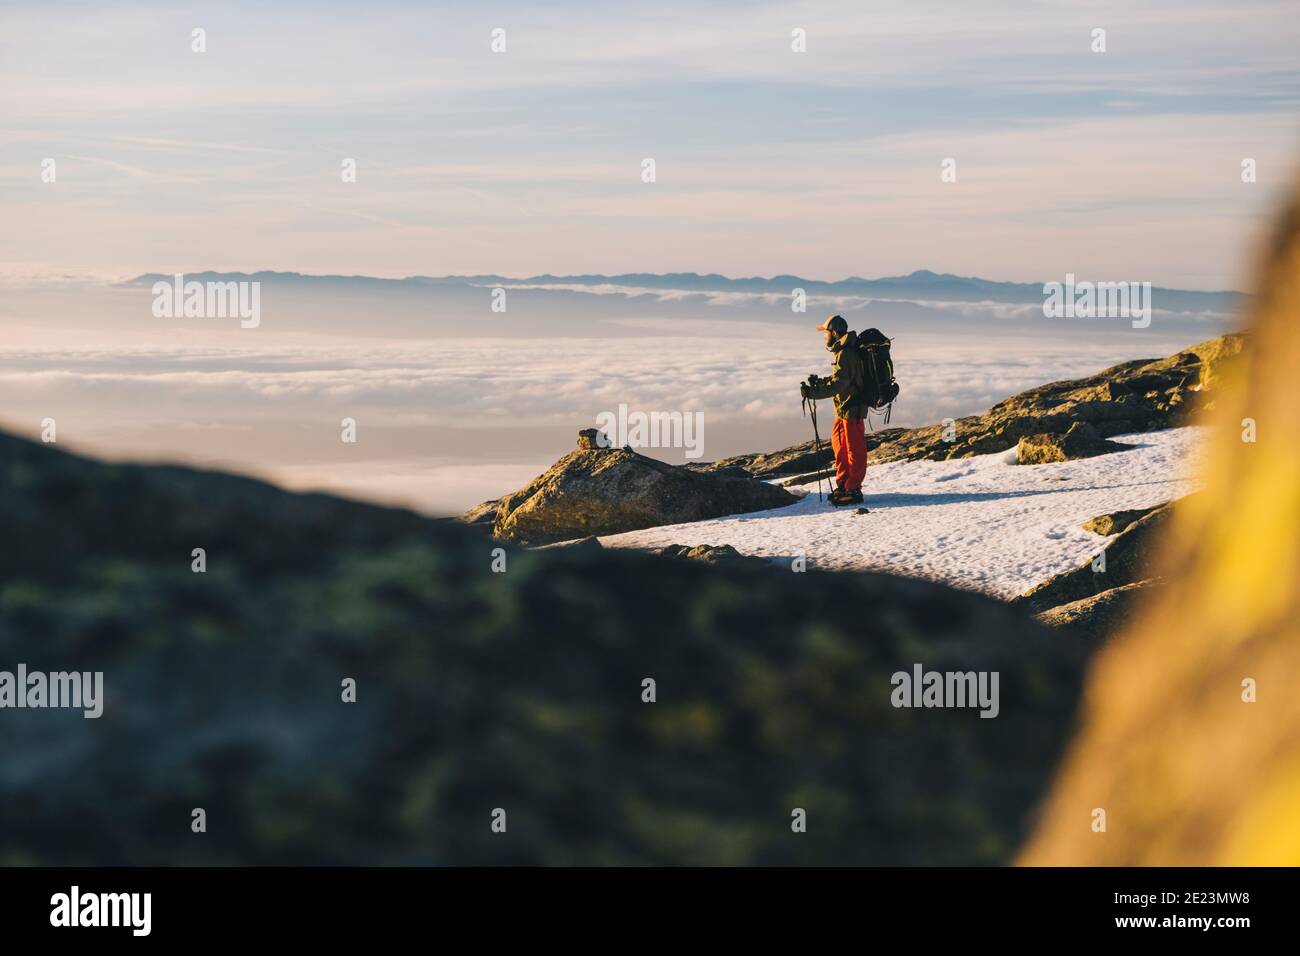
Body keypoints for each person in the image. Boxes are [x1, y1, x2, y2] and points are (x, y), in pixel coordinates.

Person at [800, 314, 868, 505]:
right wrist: (818, 385)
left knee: (853, 449)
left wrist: (814, 393)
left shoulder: (846, 353)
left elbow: (840, 384)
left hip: (852, 408)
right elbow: (839, 379)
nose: (824, 336)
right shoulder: (842, 352)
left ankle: (853, 489)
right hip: (844, 408)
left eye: (826, 333)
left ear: (835, 333)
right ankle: (844, 485)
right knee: (840, 447)